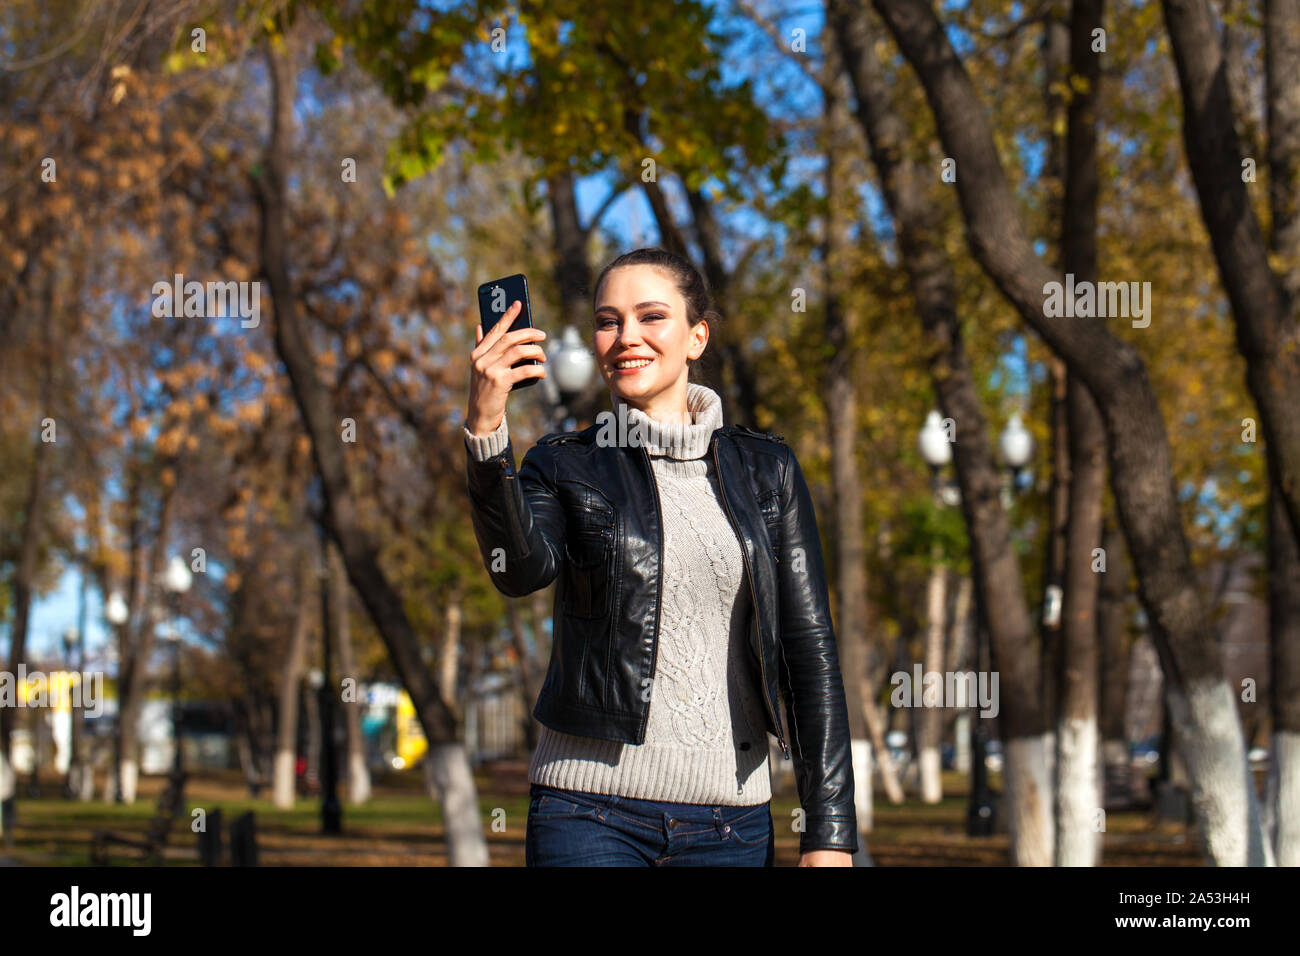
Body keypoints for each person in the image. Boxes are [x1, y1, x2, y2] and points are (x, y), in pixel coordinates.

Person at [464, 248, 857, 866]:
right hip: (587, 812)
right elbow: (518, 571)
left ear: (697, 336)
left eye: (651, 317)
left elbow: (809, 651)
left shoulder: (768, 471)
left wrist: (830, 832)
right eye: (608, 320)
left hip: (732, 824)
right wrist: (488, 428)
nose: (626, 338)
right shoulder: (563, 462)